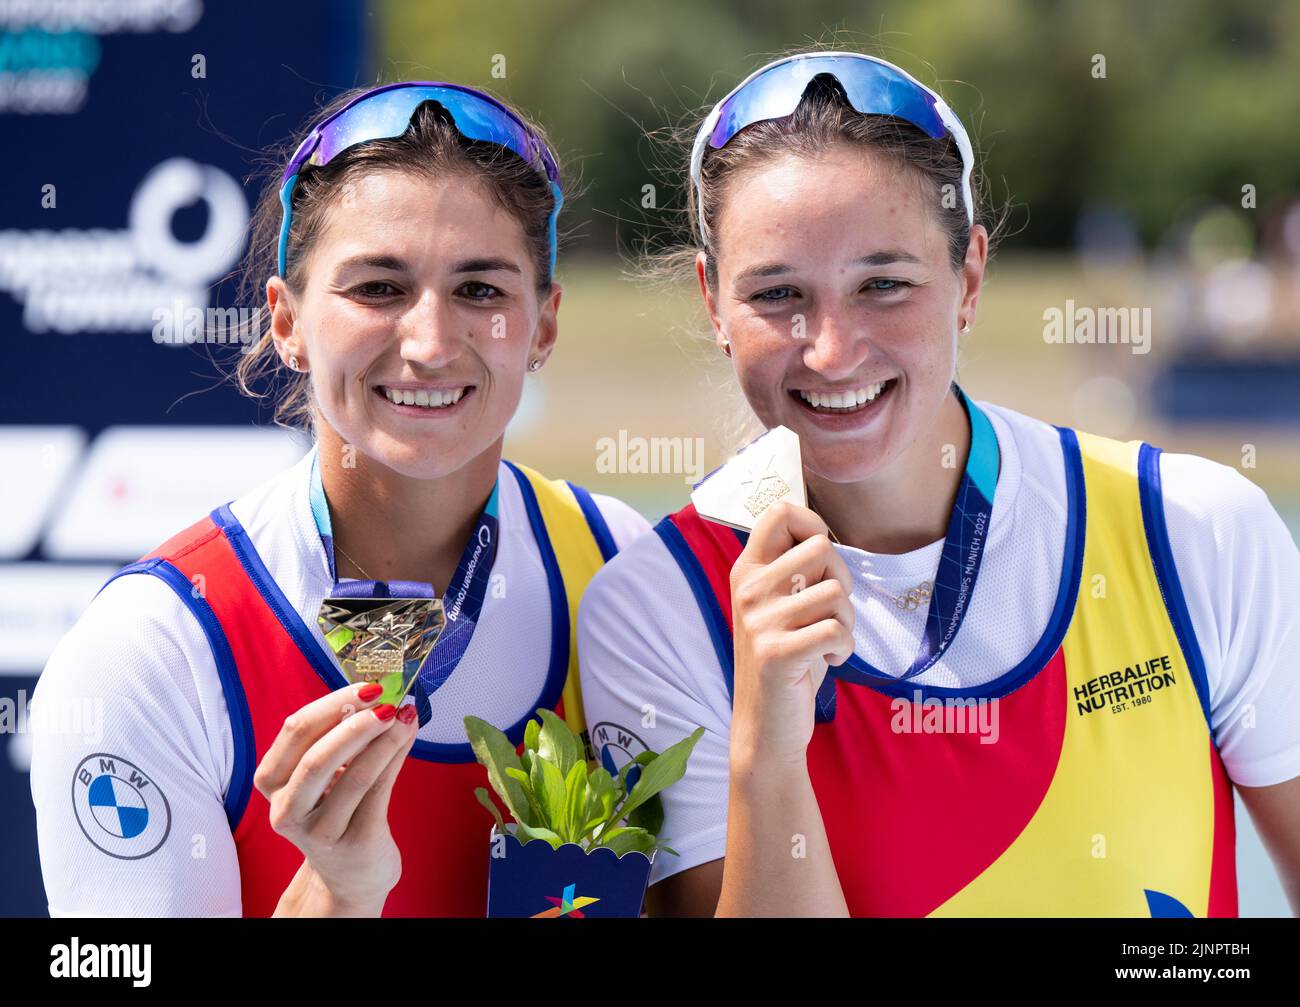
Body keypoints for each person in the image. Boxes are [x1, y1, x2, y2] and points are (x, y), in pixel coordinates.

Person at [577, 51, 1300, 917]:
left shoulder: (1196, 529)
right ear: (712, 302)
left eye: (885, 284)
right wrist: (766, 751)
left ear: (969, 277)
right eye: (777, 293)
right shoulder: (657, 607)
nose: (832, 350)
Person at [30, 81, 648, 917]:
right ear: (285, 321)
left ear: (542, 325)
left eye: (480, 290)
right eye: (378, 288)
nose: (429, 344)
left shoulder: (623, 573)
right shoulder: (152, 649)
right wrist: (335, 892)